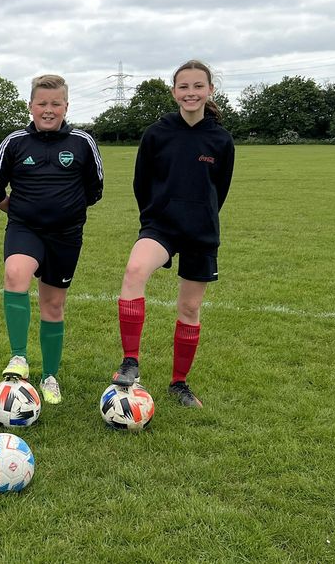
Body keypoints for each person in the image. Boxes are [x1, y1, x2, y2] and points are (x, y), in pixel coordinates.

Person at [111, 59, 234, 408]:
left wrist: (201, 215)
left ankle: (179, 384)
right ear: (174, 92)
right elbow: (141, 183)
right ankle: (130, 361)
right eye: (184, 86)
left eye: (198, 86)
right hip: (161, 225)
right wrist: (155, 215)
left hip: (201, 231)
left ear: (209, 90)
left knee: (190, 307)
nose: (191, 92)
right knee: (134, 271)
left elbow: (219, 189)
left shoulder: (220, 139)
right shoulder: (157, 133)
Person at [0, 74, 103, 404]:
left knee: (53, 305)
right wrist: (22, 212)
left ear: (66, 106)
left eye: (55, 104)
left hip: (65, 236)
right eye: (42, 104)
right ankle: (19, 357)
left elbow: (95, 190)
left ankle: (50, 376)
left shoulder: (82, 142)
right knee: (15, 274)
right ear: (31, 106)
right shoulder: (15, 142)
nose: (48, 110)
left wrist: (67, 211)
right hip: (25, 229)